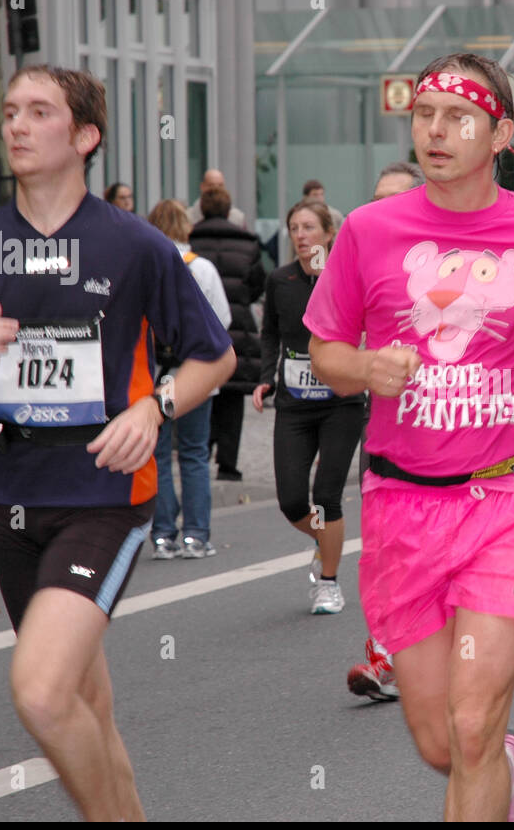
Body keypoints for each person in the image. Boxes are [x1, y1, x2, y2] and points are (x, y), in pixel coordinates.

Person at [0, 65, 234, 821]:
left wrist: (153, 408)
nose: (16, 125)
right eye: (12, 111)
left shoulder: (136, 247)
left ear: (84, 136)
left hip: (106, 493)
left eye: (39, 112)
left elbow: (212, 356)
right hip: (11, 498)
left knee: (42, 691)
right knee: (86, 703)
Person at [306, 53, 514, 821]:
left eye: (458, 117)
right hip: (401, 506)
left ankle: (492, 756)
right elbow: (324, 353)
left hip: (510, 500)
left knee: (472, 724)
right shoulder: (371, 231)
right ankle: (507, 767)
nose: (435, 132)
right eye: (424, 115)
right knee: (443, 744)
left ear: (500, 132)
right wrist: (366, 368)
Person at [254, 200, 365, 616]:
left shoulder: (348, 277)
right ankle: (326, 541)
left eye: (308, 227)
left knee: (325, 497)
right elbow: (270, 334)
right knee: (292, 501)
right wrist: (266, 376)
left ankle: (329, 583)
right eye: (294, 228)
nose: (301, 235)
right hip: (295, 404)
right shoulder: (279, 280)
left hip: (342, 402)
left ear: (328, 233)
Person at [344, 162, 427, 703]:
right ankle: (385, 656)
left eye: (396, 199)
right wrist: (361, 365)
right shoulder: (363, 258)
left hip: (462, 444)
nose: (383, 211)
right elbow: (331, 343)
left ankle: (431, 650)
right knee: (386, 551)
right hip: (389, 437)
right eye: (376, 199)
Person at [147, 199, 232, 559]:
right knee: (195, 453)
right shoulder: (205, 269)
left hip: (157, 376)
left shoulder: (145, 268)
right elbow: (223, 322)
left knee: (160, 455)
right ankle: (195, 535)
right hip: (197, 375)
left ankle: (163, 534)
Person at [190, 184, 265, 481]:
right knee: (232, 396)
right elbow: (257, 284)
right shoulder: (248, 244)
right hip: (237, 327)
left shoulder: (191, 242)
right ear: (228, 210)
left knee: (202, 391)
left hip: (200, 329)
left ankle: (201, 450)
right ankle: (229, 464)